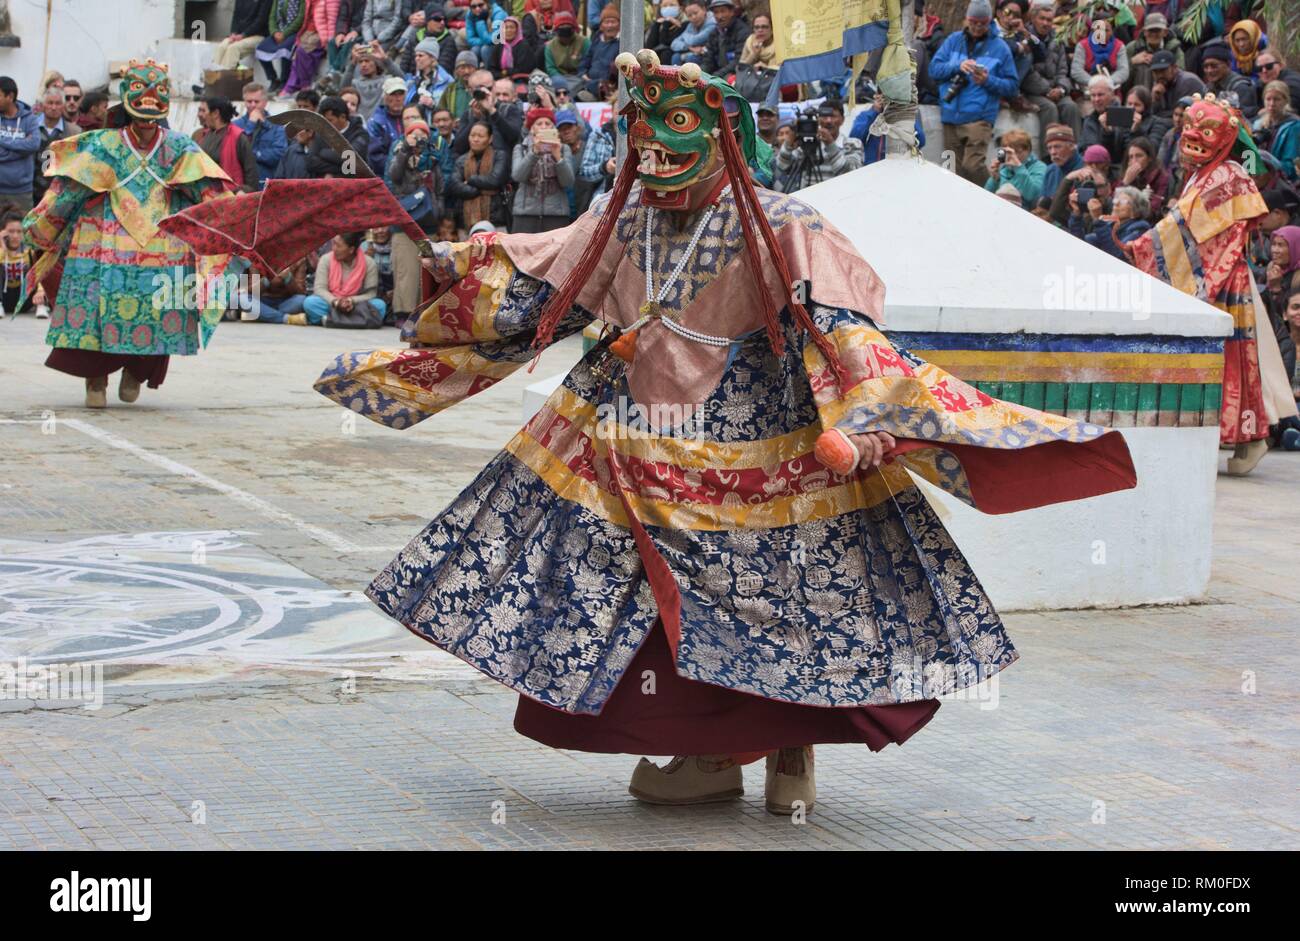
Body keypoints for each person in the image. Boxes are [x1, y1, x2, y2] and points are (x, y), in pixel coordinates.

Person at [311, 49, 1137, 814]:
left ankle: (786, 747)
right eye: (645, 138)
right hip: (634, 431)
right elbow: (543, 282)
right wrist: (469, 258)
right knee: (637, 581)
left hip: (769, 439)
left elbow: (845, 328)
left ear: (722, 137)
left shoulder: (782, 222)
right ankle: (718, 750)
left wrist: (865, 415)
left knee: (790, 588)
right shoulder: (623, 217)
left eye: (676, 136)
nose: (657, 155)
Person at [23, 59, 234, 408]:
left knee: (157, 307)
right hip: (102, 239)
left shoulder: (179, 148)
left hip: (161, 246)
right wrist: (43, 225)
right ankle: (96, 377)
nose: (147, 122)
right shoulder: (103, 145)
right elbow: (70, 189)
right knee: (94, 305)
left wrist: (242, 216)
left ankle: (136, 371)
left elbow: (211, 193)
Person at [1132, 94, 1298, 475]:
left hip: (1225, 282)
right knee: (1233, 362)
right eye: (1190, 129)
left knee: (1235, 361)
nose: (1193, 138)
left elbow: (1185, 229)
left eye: (1206, 131)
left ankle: (1249, 435)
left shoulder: (1228, 176)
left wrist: (1142, 247)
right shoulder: (1207, 173)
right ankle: (1239, 435)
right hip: (1213, 279)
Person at [929, 0, 1018, 187]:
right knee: (953, 172)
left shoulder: (1000, 47)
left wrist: (987, 80)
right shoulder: (953, 40)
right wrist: (956, 67)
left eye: (983, 23)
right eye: (973, 22)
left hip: (979, 118)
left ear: (989, 21)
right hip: (950, 116)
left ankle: (996, 196)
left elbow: (1012, 86)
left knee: (973, 166)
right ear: (967, 20)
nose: (977, 27)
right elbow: (934, 70)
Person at [293, 232, 387, 326]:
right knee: (310, 303)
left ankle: (331, 320)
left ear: (351, 249)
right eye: (333, 244)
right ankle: (357, 321)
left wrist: (351, 300)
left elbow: (371, 294)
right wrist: (336, 302)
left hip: (357, 305)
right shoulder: (326, 259)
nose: (334, 248)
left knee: (380, 305)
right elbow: (319, 289)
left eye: (338, 246)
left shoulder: (369, 263)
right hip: (332, 302)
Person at [1020, 0, 1079, 149]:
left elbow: (1063, 70)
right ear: (1033, 19)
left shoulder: (1058, 40)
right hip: (1033, 91)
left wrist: (1061, 89)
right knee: (1049, 108)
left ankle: (1075, 149)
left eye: (1049, 20)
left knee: (1070, 106)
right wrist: (1047, 90)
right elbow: (1027, 72)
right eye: (1042, 19)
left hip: (1055, 90)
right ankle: (1049, 154)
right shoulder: (1025, 38)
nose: (1046, 23)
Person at [510, 107, 575, 232]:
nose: (544, 127)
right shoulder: (521, 148)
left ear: (553, 128)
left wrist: (558, 157)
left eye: (548, 123)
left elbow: (568, 182)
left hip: (556, 214)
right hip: (525, 214)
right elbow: (518, 176)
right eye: (539, 124)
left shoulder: (563, 148)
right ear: (532, 129)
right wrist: (533, 153)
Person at [450, 120, 509, 230]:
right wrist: (477, 190)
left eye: (480, 136)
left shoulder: (499, 156)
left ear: (490, 139)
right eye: (472, 135)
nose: (475, 139)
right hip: (466, 222)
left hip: (495, 219)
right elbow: (455, 185)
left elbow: (495, 180)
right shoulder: (461, 160)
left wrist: (471, 180)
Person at [196, 96, 260, 192]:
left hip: (230, 197)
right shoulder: (203, 135)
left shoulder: (238, 137)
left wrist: (244, 191)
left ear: (215, 113)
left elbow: (251, 173)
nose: (201, 115)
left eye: (204, 111)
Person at [1070, 184, 1150, 260]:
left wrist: (1098, 218)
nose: (1116, 203)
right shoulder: (1110, 226)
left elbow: (1118, 254)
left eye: (1123, 201)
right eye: (1116, 199)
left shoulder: (1140, 228)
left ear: (1135, 213)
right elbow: (1081, 244)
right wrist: (1076, 214)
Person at [0, 76, 41, 215]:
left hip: (21, 191)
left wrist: (2, 142)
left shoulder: (30, 119)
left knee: (21, 233)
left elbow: (34, 144)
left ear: (10, 96)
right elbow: (27, 147)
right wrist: (21, 149)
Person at [235, 83, 289, 186]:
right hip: (243, 185)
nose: (253, 105)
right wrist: (250, 125)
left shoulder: (276, 126)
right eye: (249, 101)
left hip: (268, 183)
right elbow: (236, 152)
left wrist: (253, 154)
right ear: (244, 102)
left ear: (265, 102)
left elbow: (280, 153)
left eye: (257, 101)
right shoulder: (236, 125)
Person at [307, 95, 373, 177]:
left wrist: (323, 152)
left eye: (330, 120)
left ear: (343, 117)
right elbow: (311, 163)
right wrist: (339, 169)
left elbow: (351, 158)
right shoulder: (321, 133)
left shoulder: (360, 134)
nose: (325, 124)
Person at [341, 42, 406, 120]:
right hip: (360, 125)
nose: (363, 65)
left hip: (380, 123)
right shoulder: (355, 83)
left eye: (367, 61)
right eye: (360, 62)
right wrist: (353, 63)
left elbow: (403, 80)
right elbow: (343, 90)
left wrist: (384, 58)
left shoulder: (386, 81)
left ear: (376, 64)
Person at [1124, 11, 1182, 94]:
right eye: (1151, 30)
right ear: (1144, 32)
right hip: (1136, 93)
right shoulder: (1132, 48)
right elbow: (1121, 75)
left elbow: (1180, 73)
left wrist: (1161, 66)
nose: (1154, 34)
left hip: (1166, 91)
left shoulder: (1174, 48)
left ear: (1165, 32)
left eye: (1157, 30)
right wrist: (1132, 62)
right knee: (1142, 67)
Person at [255, 0, 307, 92]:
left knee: (285, 50)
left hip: (294, 33)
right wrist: (274, 32)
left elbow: (300, 18)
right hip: (278, 32)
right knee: (260, 49)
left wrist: (285, 33)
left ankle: (284, 81)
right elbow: (272, 17)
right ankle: (273, 79)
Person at [984, 127, 1045, 205]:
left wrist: (1018, 167)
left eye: (1017, 152)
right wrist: (995, 179)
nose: (1012, 156)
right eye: (1008, 152)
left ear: (1028, 150)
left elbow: (1032, 195)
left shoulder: (1039, 167)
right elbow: (986, 197)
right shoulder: (1003, 169)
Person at [1, 210, 43, 317]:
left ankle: (41, 306)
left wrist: (40, 291)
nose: (15, 236)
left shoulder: (29, 250)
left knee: (42, 261)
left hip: (24, 300)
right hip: (4, 299)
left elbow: (40, 272)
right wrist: (3, 247)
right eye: (11, 231)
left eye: (19, 231)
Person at [1254, 81, 1299, 181]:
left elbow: (1291, 166)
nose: (1272, 104)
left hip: (1283, 182)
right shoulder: (1258, 124)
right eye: (1268, 99)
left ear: (1286, 101)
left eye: (1277, 99)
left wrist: (1268, 160)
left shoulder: (1294, 126)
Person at [32, 86, 69, 207]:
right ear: (43, 106)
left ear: (63, 106)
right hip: (31, 191)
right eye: (50, 103)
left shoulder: (73, 131)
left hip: (59, 195)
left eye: (58, 103)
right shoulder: (31, 127)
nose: (53, 107)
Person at [1070, 16, 1128, 92]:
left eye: (1106, 30)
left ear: (1111, 32)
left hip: (1111, 90)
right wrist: (1095, 83)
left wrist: (1107, 82)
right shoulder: (1082, 45)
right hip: (1087, 90)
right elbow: (1076, 70)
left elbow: (1123, 71)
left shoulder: (1119, 46)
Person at [367, 76, 412, 175]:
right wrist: (400, 167)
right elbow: (375, 157)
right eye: (392, 94)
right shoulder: (376, 122)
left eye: (400, 94)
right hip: (387, 175)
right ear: (385, 97)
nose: (397, 98)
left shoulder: (413, 116)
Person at [576, 5, 622, 101]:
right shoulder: (596, 40)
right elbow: (586, 60)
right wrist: (582, 73)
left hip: (609, 86)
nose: (610, 25)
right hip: (590, 81)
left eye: (613, 22)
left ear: (619, 25)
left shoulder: (622, 43)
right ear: (601, 26)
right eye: (606, 22)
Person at [1201, 42, 1257, 119]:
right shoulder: (1207, 88)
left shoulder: (1240, 87)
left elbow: (1245, 119)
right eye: (1206, 67)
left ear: (1228, 64)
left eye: (1214, 66)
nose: (1209, 70)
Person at [212, 0, 274, 69]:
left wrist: (244, 35)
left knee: (233, 48)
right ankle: (214, 75)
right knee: (222, 47)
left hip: (259, 35)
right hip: (239, 35)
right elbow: (235, 17)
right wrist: (233, 33)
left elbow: (261, 21)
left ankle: (225, 77)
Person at [1117, 135, 1169, 216]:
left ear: (1149, 158)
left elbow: (1153, 210)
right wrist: (1125, 181)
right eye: (1131, 157)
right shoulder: (1125, 175)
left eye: (1139, 156)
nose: (1134, 161)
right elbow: (1115, 203)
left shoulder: (1161, 176)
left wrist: (1140, 200)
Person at [1150, 49, 1206, 121]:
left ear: (1175, 68)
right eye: (1155, 72)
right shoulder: (1160, 83)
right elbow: (1152, 113)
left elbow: (1180, 114)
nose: (1159, 75)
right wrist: (1155, 99)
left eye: (1163, 70)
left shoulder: (1188, 82)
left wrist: (1158, 116)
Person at [702, 0, 750, 81]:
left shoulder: (742, 31)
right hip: (718, 73)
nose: (720, 16)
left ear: (732, 12)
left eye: (723, 11)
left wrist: (715, 76)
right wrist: (700, 74)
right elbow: (708, 59)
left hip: (736, 72)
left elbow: (738, 61)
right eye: (716, 12)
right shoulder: (714, 33)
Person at [488, 16, 543, 81]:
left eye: (511, 27)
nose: (508, 30)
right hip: (501, 79)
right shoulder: (499, 46)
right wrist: (501, 76)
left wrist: (505, 72)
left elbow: (522, 70)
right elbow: (492, 67)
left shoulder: (524, 46)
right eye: (506, 27)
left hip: (521, 80)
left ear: (517, 30)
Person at [1041, 122, 1081, 200]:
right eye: (1049, 148)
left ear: (1071, 146)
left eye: (1057, 147)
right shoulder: (1050, 171)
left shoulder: (1085, 169)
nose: (1053, 152)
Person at [544, 10, 589, 79]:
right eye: (562, 34)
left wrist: (581, 76)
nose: (566, 39)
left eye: (568, 34)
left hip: (580, 77)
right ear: (556, 32)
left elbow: (588, 63)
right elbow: (550, 68)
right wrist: (559, 79)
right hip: (558, 77)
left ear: (573, 29)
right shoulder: (550, 46)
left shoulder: (584, 42)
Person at [671, 2, 716, 67]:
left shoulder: (712, 23)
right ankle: (675, 76)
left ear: (704, 9)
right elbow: (674, 44)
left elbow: (695, 40)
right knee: (676, 56)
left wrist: (684, 36)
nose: (693, 17)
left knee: (691, 58)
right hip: (694, 53)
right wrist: (689, 48)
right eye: (689, 15)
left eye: (695, 13)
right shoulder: (690, 25)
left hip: (709, 55)